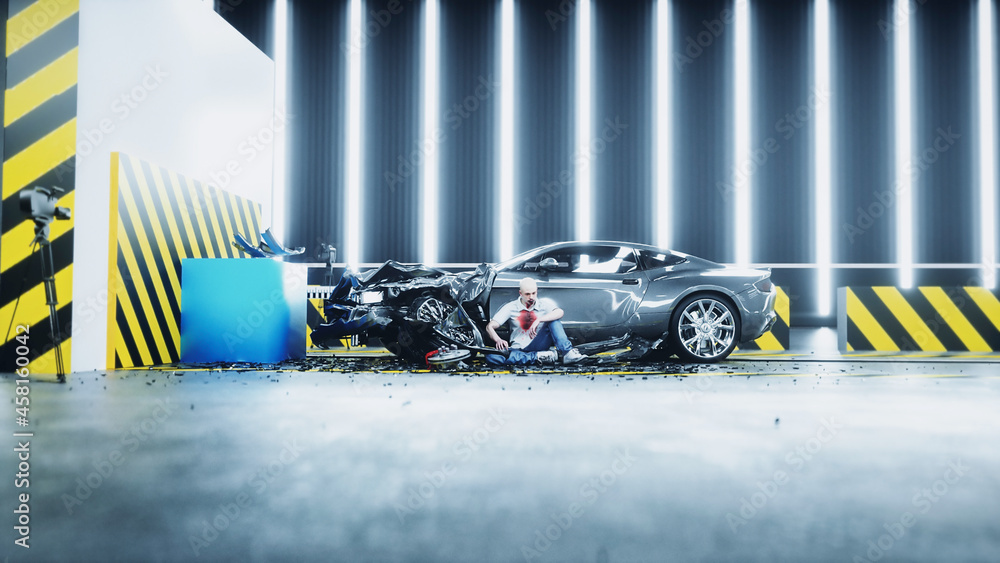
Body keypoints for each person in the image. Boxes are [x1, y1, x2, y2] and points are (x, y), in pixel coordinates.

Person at [484, 277, 587, 366]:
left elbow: (560, 312)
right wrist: (498, 340)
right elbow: (490, 327)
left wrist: (539, 319)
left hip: (539, 344)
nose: (531, 297)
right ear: (520, 293)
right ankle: (540, 356)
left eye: (534, 293)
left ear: (537, 291)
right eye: (527, 294)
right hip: (519, 348)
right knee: (492, 357)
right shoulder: (511, 307)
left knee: (553, 319)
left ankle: (567, 353)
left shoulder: (542, 305)